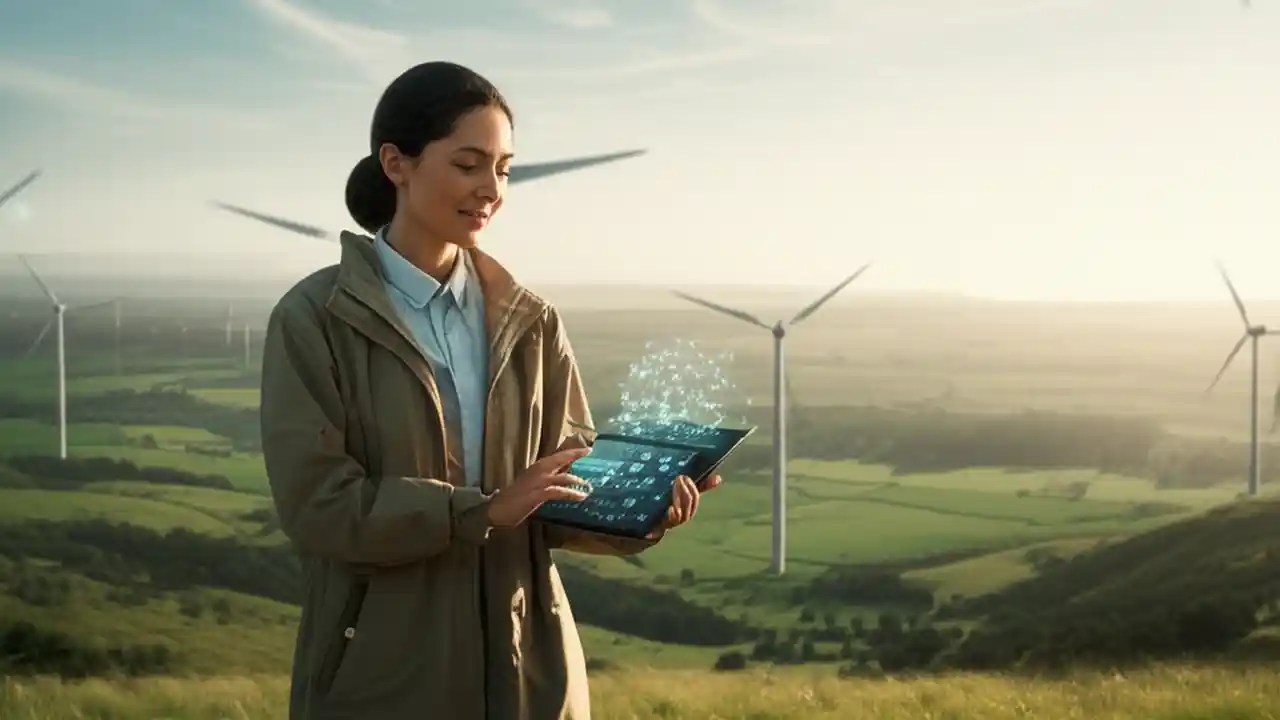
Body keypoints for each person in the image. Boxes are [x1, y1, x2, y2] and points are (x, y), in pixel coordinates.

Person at [259, 61, 721, 720]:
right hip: (381, 685)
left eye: (504, 169)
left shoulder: (532, 321)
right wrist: (480, 511)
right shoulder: (313, 321)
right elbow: (319, 507)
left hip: (531, 681)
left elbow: (560, 486)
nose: (492, 190)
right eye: (470, 164)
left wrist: (639, 510)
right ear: (397, 163)